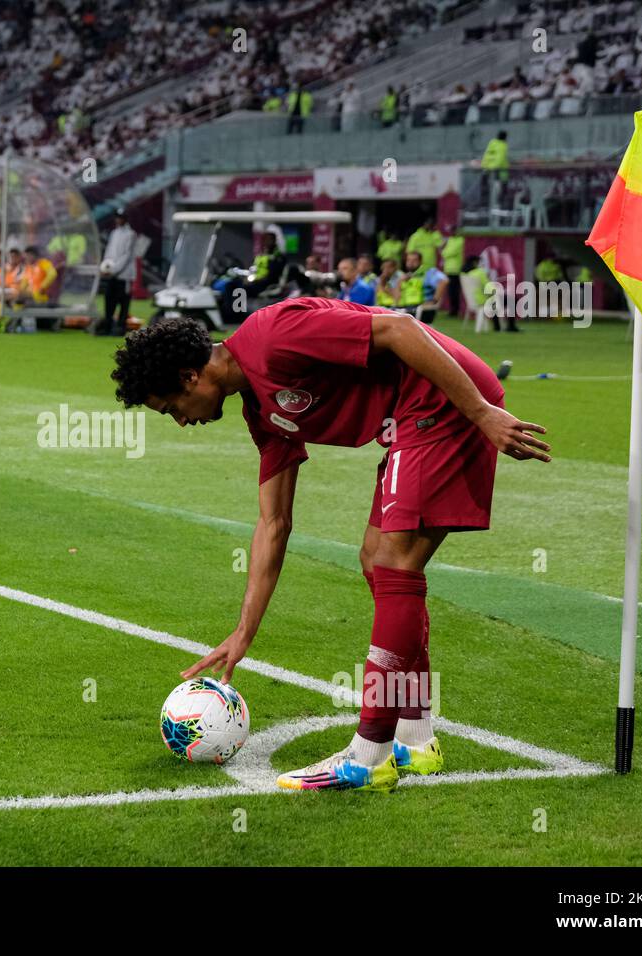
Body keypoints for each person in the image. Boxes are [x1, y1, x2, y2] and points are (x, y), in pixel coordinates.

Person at [110, 302, 550, 792]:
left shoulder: (272, 335)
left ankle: (368, 755)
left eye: (169, 408)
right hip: (411, 420)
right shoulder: (260, 408)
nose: (179, 421)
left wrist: (482, 413)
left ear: (190, 377)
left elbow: (398, 328)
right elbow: (274, 523)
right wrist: (243, 632)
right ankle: (417, 738)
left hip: (444, 401)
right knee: (376, 561)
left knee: (394, 563)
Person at [98, 208, 135, 336]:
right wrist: (105, 266)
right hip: (112, 274)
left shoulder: (130, 234)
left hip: (124, 275)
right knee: (109, 300)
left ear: (125, 219)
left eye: (121, 217)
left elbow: (126, 256)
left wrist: (114, 270)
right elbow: (109, 252)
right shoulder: (114, 233)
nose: (118, 220)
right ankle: (108, 326)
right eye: (117, 217)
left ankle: (120, 327)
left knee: (123, 302)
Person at [441, 231, 465, 317]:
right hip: (448, 269)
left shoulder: (460, 240)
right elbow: (445, 253)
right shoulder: (450, 240)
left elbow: (448, 253)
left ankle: (455, 310)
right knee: (450, 291)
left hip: (455, 270)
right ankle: (452, 310)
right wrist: (445, 251)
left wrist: (444, 250)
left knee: (455, 291)